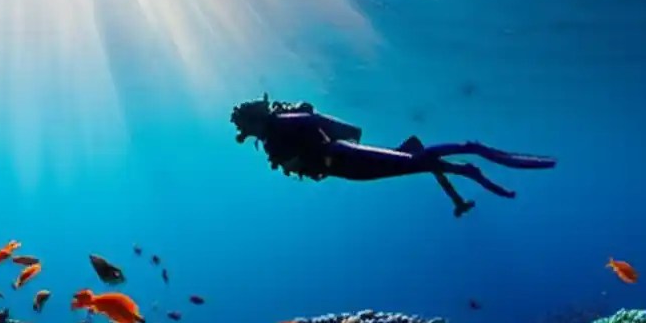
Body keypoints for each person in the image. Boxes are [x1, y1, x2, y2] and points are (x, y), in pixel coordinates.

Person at [231, 94, 557, 217]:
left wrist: (331, 146)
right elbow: (333, 129)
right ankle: (464, 180)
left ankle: (473, 152)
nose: (249, 136)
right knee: (415, 159)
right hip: (344, 163)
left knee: (414, 161)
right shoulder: (274, 133)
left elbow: (322, 125)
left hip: (344, 159)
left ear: (254, 120)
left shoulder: (279, 126)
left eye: (246, 129)